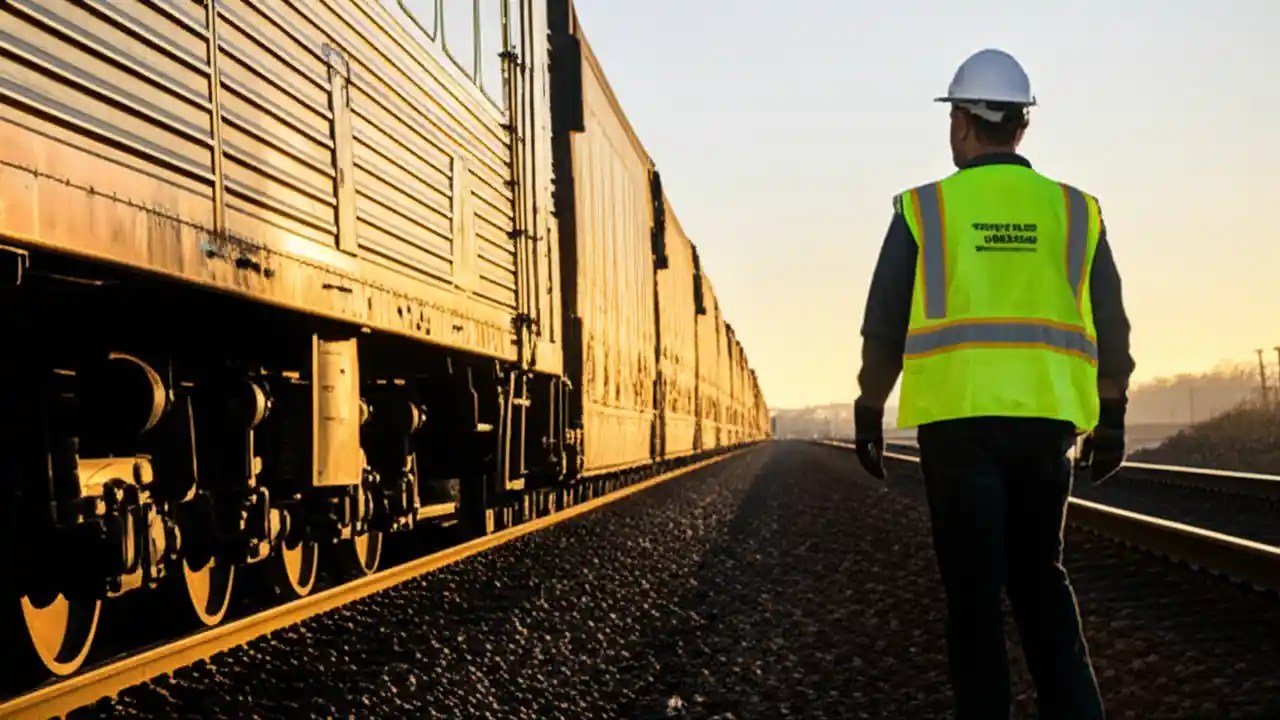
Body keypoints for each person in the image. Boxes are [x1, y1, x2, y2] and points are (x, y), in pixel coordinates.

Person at [851, 48, 1135, 719]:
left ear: (960, 124)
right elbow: (1111, 323)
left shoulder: (925, 210)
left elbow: (884, 324)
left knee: (974, 599)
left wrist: (869, 406)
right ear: (1021, 127)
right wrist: (1114, 415)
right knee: (1041, 582)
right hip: (1047, 429)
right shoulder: (1075, 211)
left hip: (959, 430)